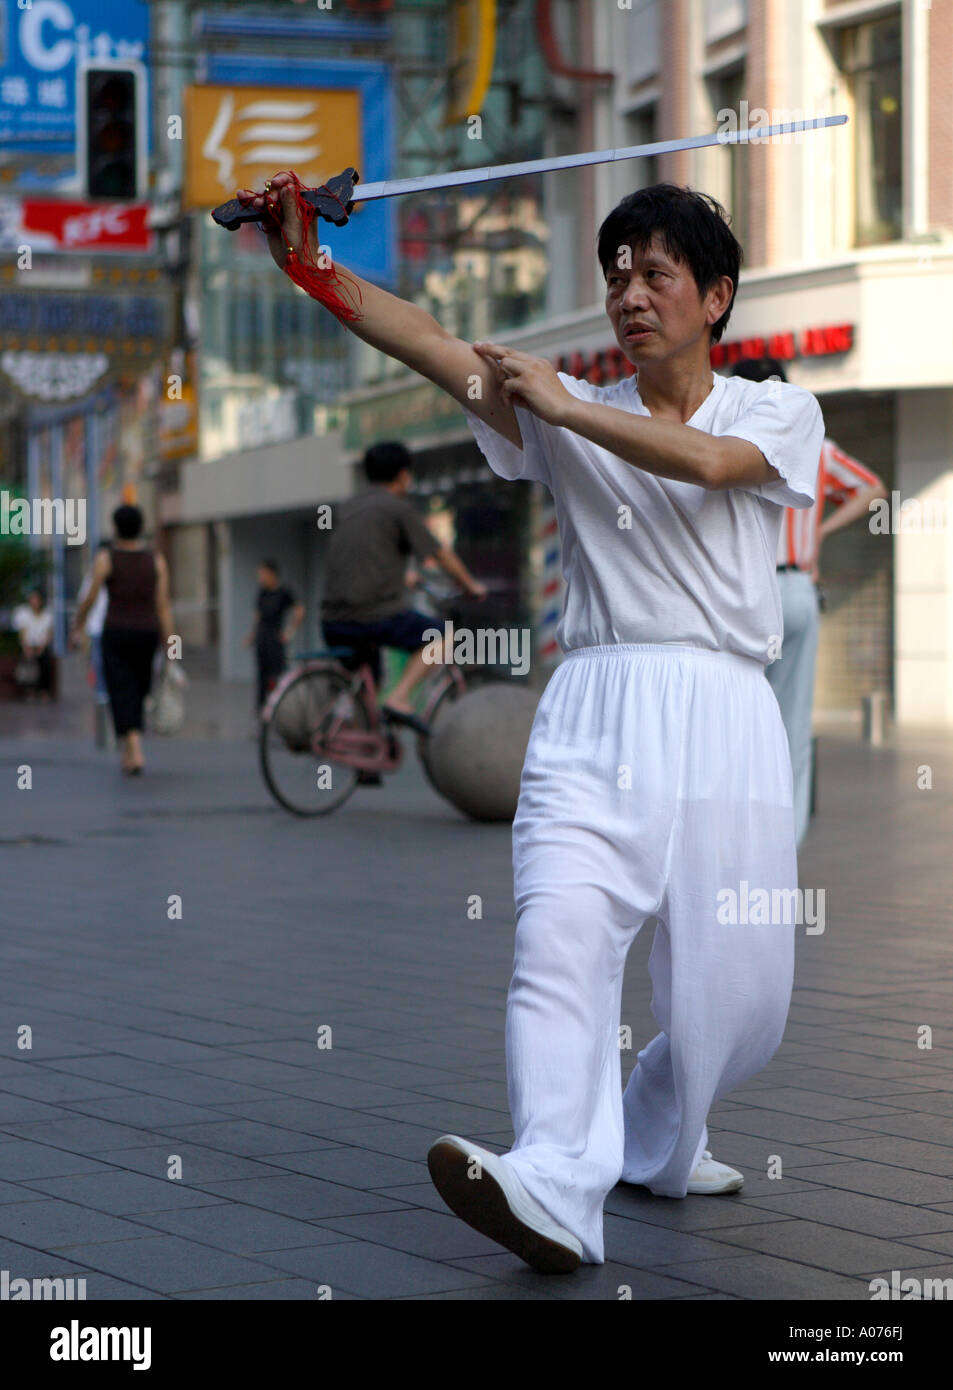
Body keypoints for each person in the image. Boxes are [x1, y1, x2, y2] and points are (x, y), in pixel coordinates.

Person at [244, 173, 823, 1273]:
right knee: (559, 939)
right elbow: (428, 340)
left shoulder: (771, 410)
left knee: (736, 1005)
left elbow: (710, 467)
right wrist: (310, 264)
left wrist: (564, 408)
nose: (629, 294)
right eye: (616, 275)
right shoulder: (557, 406)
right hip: (595, 706)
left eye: (656, 275)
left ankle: (655, 1130)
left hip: (724, 713)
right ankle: (555, 1176)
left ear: (715, 298)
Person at [730, 357, 887, 845]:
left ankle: (737, 838)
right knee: (792, 725)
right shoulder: (816, 448)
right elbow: (873, 489)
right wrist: (818, 531)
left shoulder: (727, 444)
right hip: (797, 588)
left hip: (742, 593)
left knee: (733, 718)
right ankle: (785, 846)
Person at [320, 440, 487, 734]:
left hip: (332, 621)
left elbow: (364, 558)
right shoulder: (397, 509)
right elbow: (440, 554)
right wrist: (470, 584)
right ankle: (399, 698)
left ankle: (364, 748)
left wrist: (402, 578)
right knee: (443, 636)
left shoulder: (347, 508)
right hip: (372, 617)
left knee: (369, 684)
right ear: (402, 474)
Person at [71, 505, 174, 776]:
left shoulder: (107, 558)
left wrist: (78, 625)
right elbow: (164, 606)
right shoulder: (156, 560)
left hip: (116, 631)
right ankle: (131, 748)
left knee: (119, 688)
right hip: (147, 633)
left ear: (116, 528)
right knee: (139, 687)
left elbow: (90, 598)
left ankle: (134, 747)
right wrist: (173, 648)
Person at [244, 558, 304, 712]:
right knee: (262, 676)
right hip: (262, 639)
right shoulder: (262, 592)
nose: (261, 578)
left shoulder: (283, 592)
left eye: (263, 574)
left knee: (277, 675)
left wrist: (290, 631)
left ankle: (278, 706)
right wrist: (251, 636)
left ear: (272, 574)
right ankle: (262, 709)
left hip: (275, 640)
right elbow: (257, 616)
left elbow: (299, 609)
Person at [76, 540, 112, 707]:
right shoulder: (91, 578)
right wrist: (80, 627)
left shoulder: (117, 576)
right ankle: (102, 692)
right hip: (97, 627)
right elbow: (85, 601)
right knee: (98, 661)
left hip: (114, 626)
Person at [13, 587, 54, 702]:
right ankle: (29, 690)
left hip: (42, 646)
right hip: (28, 645)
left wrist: (42, 647)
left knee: (45, 660)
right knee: (27, 660)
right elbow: (23, 633)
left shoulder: (47, 615)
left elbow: (49, 634)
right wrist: (26, 647)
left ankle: (44, 690)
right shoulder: (23, 613)